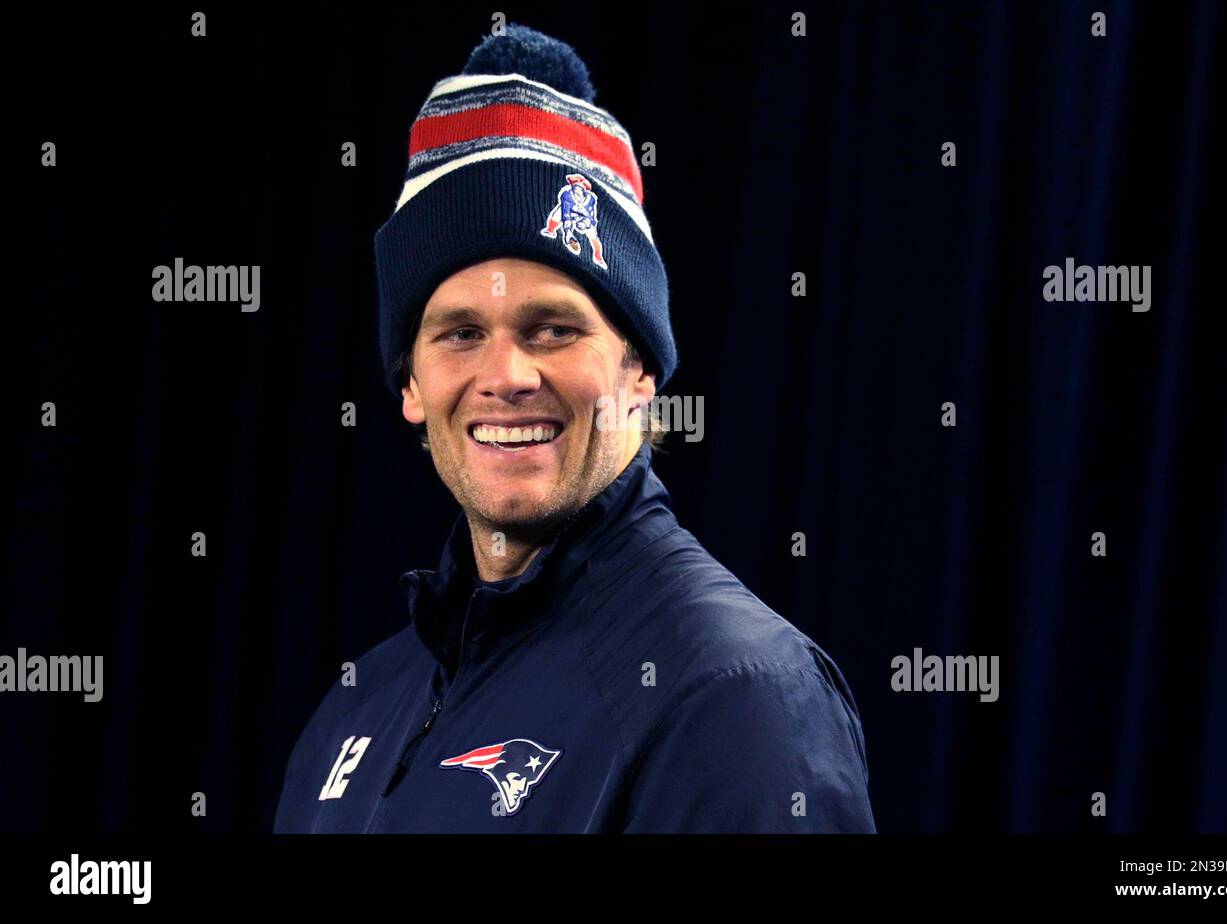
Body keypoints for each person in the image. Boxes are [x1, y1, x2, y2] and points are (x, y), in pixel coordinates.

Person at [273, 23, 876, 833]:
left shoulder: (737, 695)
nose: (508, 376)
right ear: (411, 384)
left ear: (639, 372)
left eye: (553, 328)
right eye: (459, 334)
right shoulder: (355, 711)